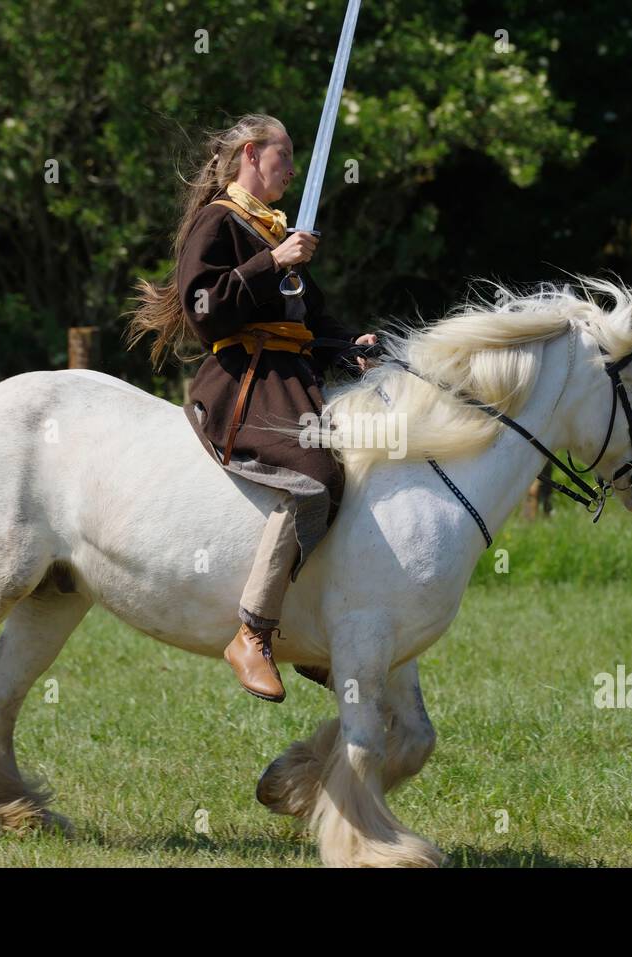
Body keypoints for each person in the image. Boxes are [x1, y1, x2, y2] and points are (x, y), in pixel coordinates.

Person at [126, 113, 377, 703]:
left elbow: (311, 321)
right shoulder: (219, 223)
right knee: (313, 477)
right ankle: (253, 633)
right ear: (249, 153)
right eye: (283, 156)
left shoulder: (273, 230)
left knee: (351, 470)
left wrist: (354, 347)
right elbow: (206, 309)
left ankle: (306, 638)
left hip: (291, 376)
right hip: (241, 381)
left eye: (293, 159)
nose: (291, 169)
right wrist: (276, 263)